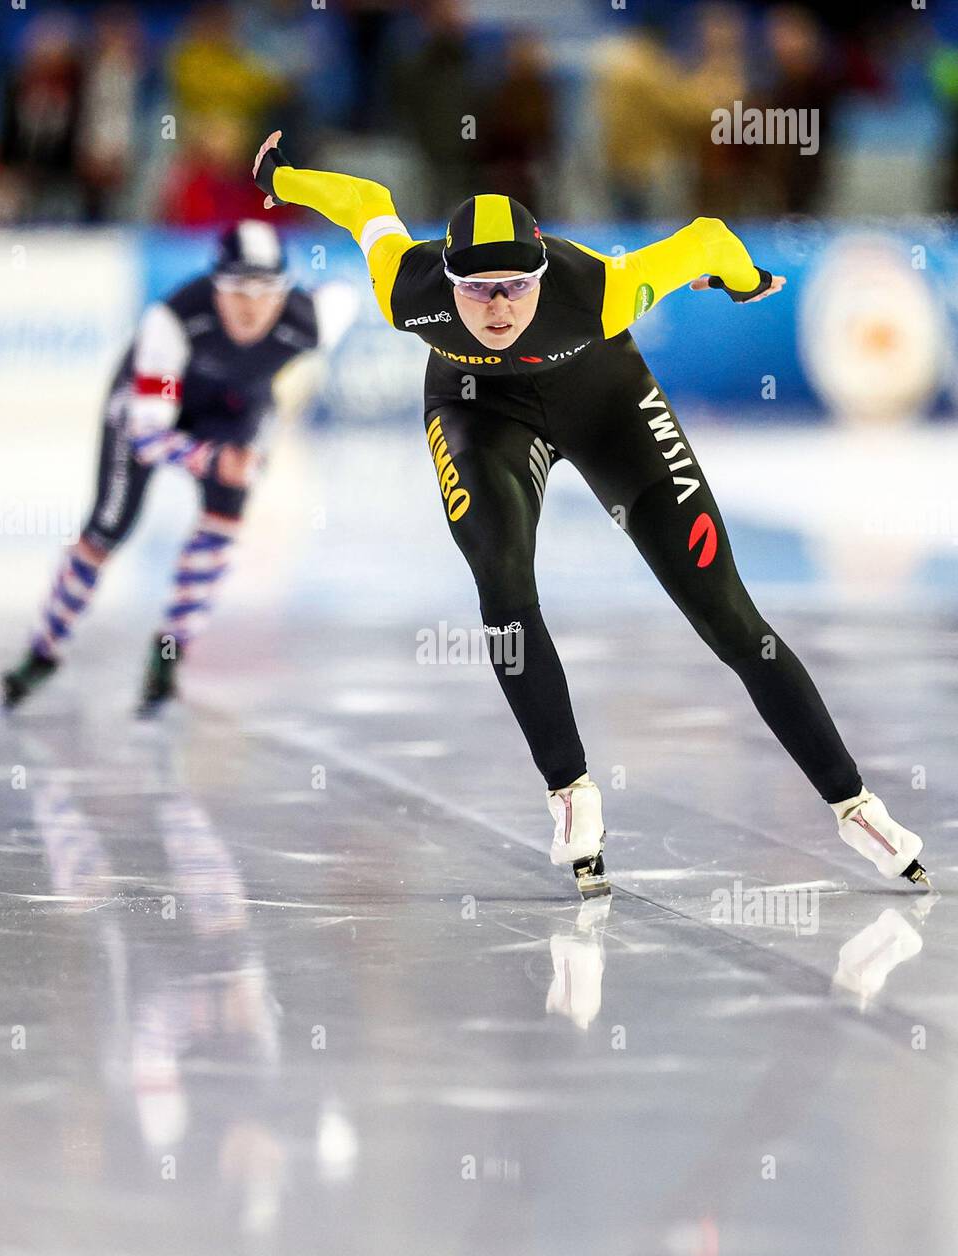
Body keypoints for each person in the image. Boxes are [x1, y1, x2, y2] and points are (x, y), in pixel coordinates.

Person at [250, 130, 929, 897]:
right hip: (481, 412)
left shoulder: (600, 288)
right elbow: (365, 204)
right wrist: (286, 181)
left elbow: (706, 238)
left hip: (607, 406)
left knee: (727, 617)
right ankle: (570, 791)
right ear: (446, 279)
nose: (498, 307)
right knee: (499, 579)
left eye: (516, 286)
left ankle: (853, 804)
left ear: (543, 274)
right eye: (476, 288)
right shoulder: (403, 286)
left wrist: (742, 280)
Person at [2, 220, 319, 714]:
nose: (251, 304)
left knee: (222, 524)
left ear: (286, 289)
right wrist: (211, 459)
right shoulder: (170, 322)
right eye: (237, 287)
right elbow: (149, 436)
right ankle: (44, 649)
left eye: (266, 288)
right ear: (216, 284)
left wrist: (257, 441)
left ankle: (170, 653)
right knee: (108, 528)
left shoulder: (313, 319)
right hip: (150, 405)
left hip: (233, 410)